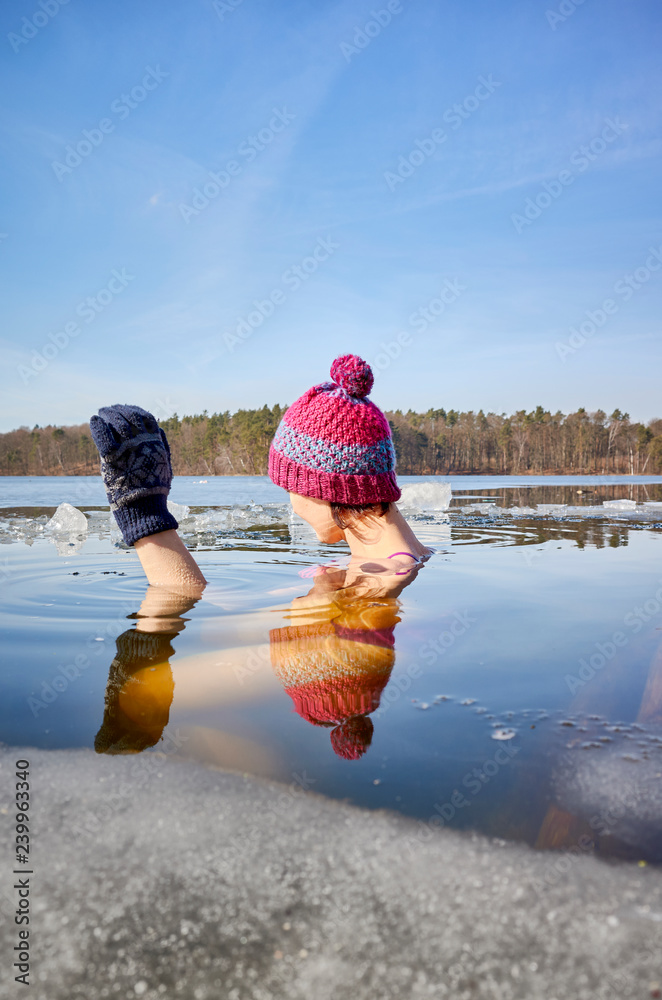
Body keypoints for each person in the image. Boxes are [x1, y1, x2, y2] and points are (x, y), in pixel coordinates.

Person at [89, 354, 431, 755]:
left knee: (140, 695)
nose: (291, 503)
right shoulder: (380, 567)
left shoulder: (373, 588)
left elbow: (147, 688)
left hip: (333, 659)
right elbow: (232, 617)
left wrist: (145, 518)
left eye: (290, 487)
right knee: (222, 633)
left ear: (323, 489)